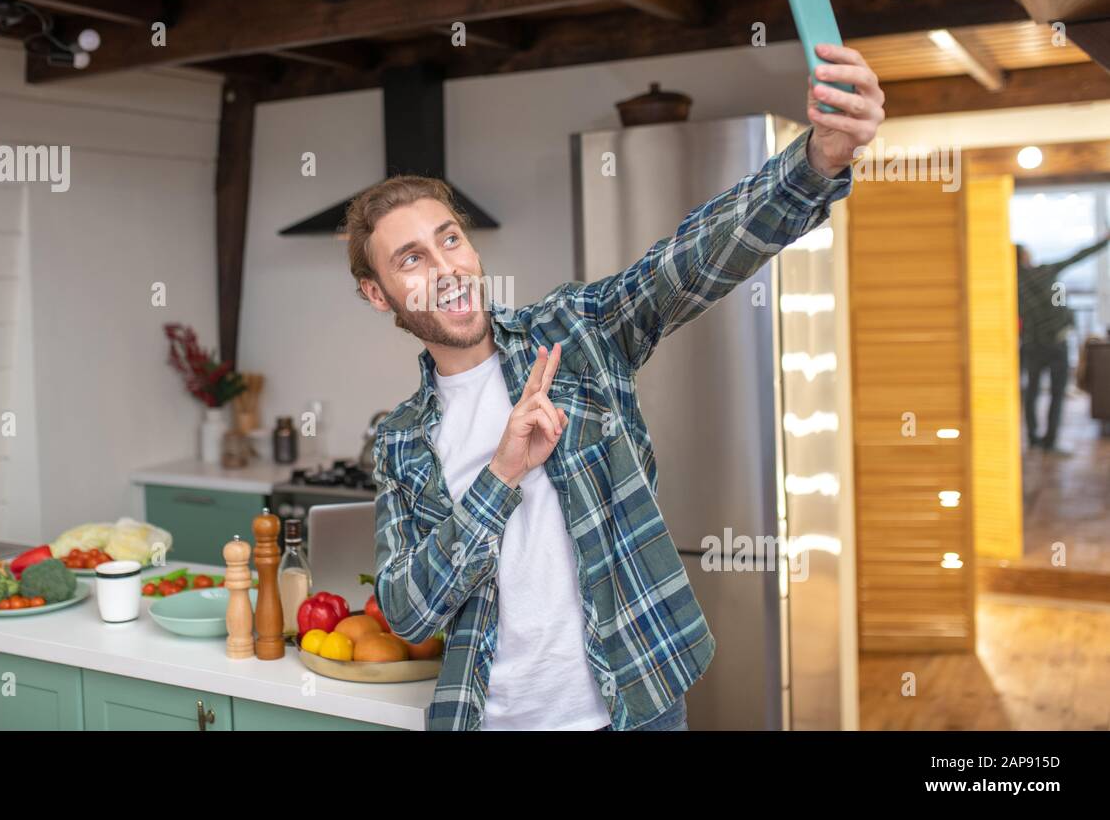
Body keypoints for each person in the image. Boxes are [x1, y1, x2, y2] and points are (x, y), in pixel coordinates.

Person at [350, 45, 883, 731]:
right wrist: (504, 471)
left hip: (634, 709)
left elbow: (687, 264)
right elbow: (407, 610)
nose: (446, 266)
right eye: (412, 259)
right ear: (378, 294)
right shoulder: (400, 441)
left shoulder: (571, 333)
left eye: (450, 239)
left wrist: (817, 163)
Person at [1016, 235, 1110, 454]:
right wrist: (1105, 241)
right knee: (1056, 394)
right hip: (1056, 343)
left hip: (1031, 345)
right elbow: (1078, 256)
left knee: (1032, 392)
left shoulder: (1011, 284)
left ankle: (1032, 440)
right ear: (1024, 256)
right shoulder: (1044, 272)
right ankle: (1050, 442)